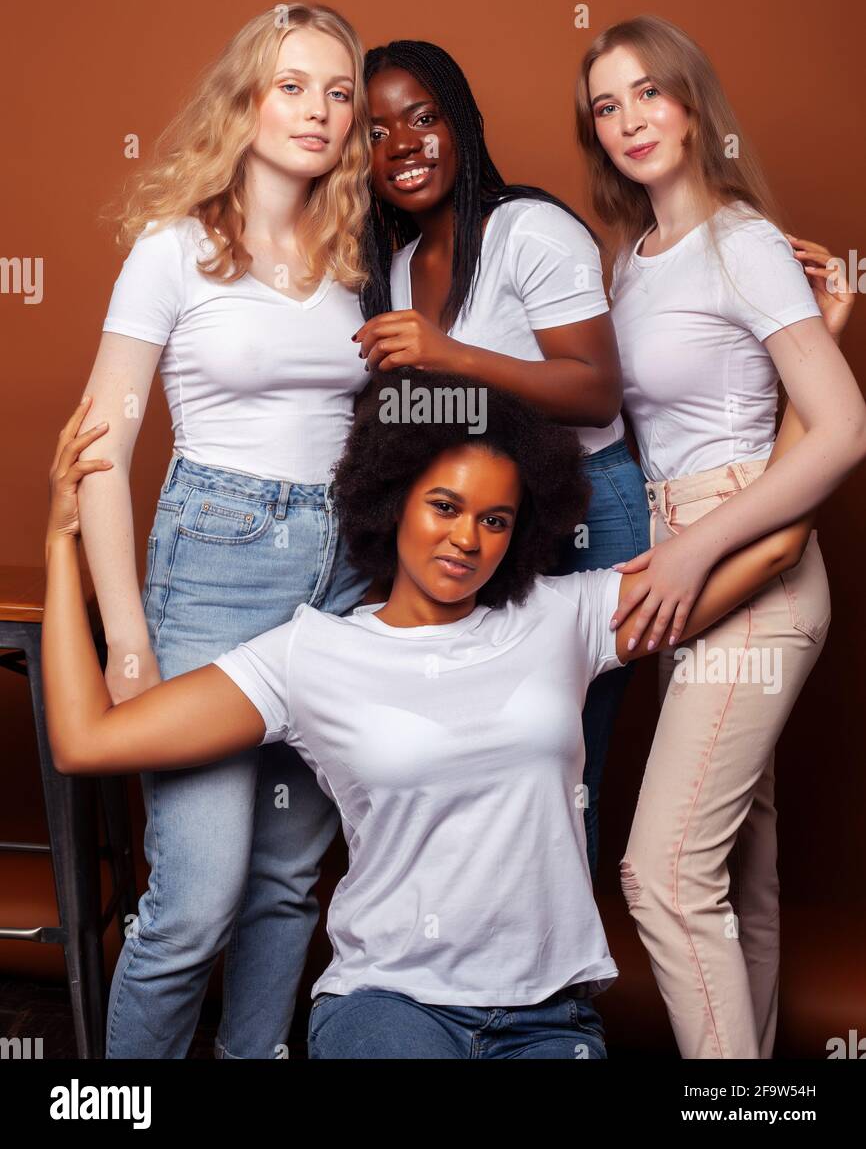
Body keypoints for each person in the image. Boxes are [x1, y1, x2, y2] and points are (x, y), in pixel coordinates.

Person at [44, 368, 822, 1060]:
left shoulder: (567, 616)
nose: (466, 539)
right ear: (393, 499)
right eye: (444, 506)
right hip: (388, 1007)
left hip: (547, 1019)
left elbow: (778, 544)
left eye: (494, 520)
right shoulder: (310, 656)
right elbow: (84, 741)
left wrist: (811, 371)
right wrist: (60, 542)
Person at [77, 2, 374, 1059]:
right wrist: (127, 640)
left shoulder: (354, 249)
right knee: (194, 901)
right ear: (245, 100)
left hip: (339, 582)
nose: (320, 110)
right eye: (293, 85)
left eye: (339, 92)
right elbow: (96, 452)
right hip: (215, 568)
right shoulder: (172, 247)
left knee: (289, 883)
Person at [575, 12, 866, 1057]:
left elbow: (842, 428)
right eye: (605, 106)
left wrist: (693, 549)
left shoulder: (740, 241)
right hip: (680, 555)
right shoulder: (632, 257)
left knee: (660, 872)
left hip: (739, 559)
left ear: (692, 104)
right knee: (739, 868)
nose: (628, 119)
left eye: (647, 91)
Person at [354, 38, 649, 884]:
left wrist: (446, 356)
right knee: (487, 771)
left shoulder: (531, 228)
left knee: (562, 774)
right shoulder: (402, 268)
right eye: (376, 132)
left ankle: (558, 1006)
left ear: (462, 124)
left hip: (588, 514)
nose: (403, 144)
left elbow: (594, 393)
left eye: (422, 116)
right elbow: (457, 418)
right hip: (491, 524)